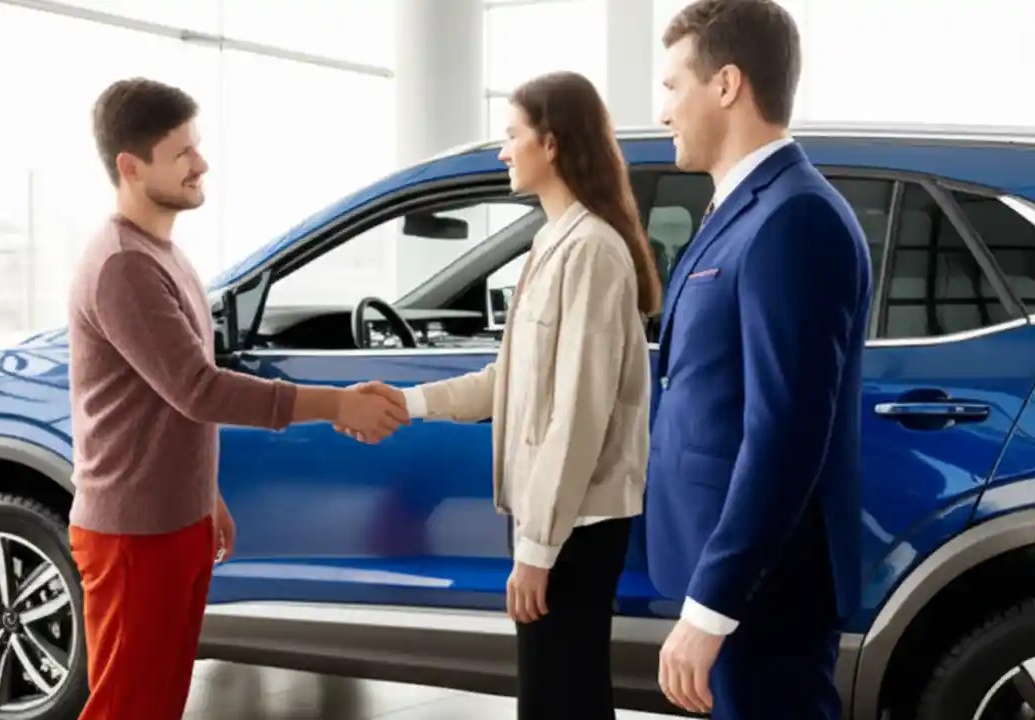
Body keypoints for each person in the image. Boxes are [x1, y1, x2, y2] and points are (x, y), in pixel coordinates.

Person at [65, 77, 409, 720]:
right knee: (127, 706)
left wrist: (205, 494)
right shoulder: (122, 266)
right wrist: (335, 405)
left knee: (159, 702)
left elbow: (169, 398)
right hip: (133, 535)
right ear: (130, 167)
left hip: (174, 521)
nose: (201, 164)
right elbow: (199, 390)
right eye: (182, 153)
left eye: (197, 146)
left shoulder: (162, 253)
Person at [345, 71, 661, 719]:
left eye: (512, 134)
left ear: (551, 143)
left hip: (576, 525)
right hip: (554, 519)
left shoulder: (593, 253)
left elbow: (577, 415)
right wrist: (408, 403)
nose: (502, 150)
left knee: (560, 699)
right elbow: (508, 382)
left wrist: (537, 553)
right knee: (551, 695)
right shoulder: (551, 243)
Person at [646, 1, 873, 718]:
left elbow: (784, 435)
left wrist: (712, 607)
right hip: (734, 580)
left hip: (762, 593)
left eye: (673, 86)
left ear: (727, 84)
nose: (663, 112)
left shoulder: (794, 218)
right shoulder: (738, 209)